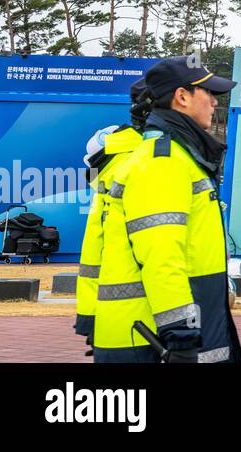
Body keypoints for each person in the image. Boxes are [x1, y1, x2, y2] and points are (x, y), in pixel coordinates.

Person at [92, 54, 241, 363]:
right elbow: (162, 255)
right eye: (209, 93)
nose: (215, 103)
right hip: (154, 345)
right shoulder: (164, 162)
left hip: (151, 339)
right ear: (182, 97)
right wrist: (181, 334)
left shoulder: (178, 157)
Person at [73, 80, 148, 354]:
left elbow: (92, 256)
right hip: (146, 324)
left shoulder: (106, 187)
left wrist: (88, 314)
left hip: (111, 323)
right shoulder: (145, 168)